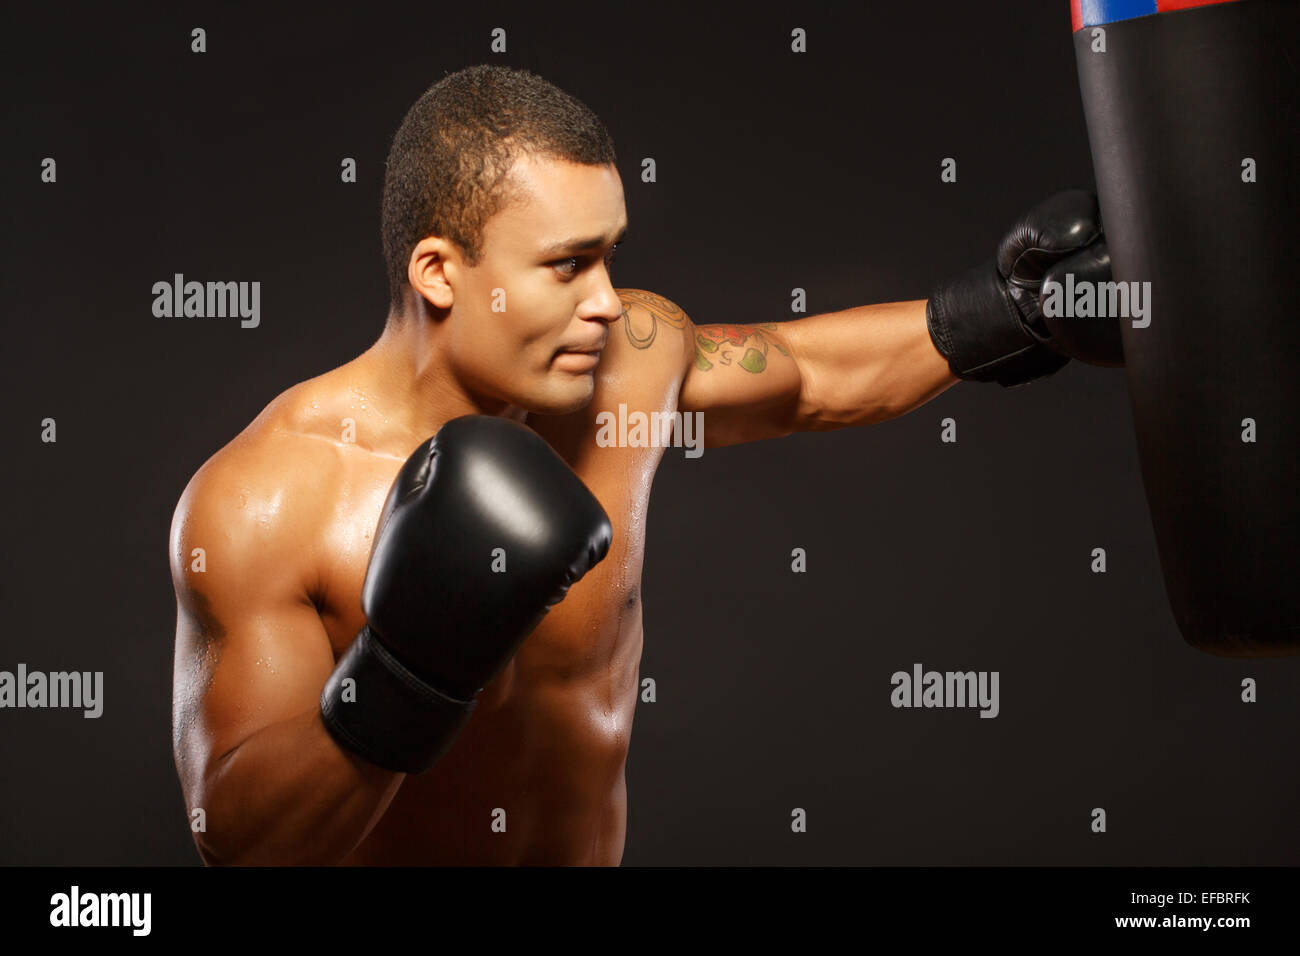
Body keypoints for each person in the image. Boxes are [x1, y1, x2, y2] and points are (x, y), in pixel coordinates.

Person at [169, 64, 1118, 865]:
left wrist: (1005, 315)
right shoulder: (268, 499)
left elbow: (806, 377)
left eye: (610, 257)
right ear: (438, 272)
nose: (608, 302)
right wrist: (406, 669)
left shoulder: (629, 362)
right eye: (567, 265)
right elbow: (237, 836)